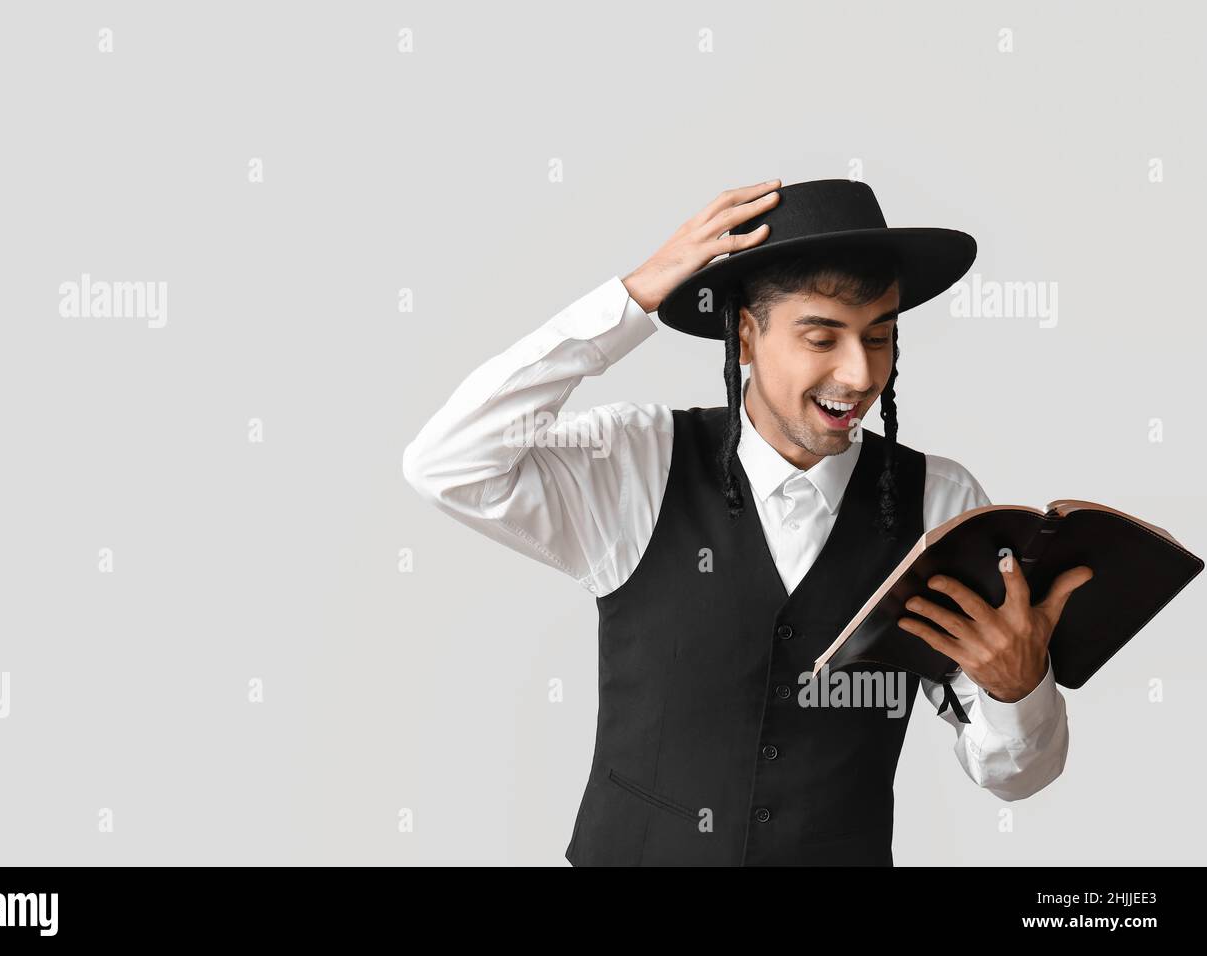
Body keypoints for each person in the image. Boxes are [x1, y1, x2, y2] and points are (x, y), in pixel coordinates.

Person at [402, 178, 1093, 866]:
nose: (857, 374)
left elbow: (1018, 776)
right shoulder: (638, 462)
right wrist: (634, 298)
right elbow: (448, 463)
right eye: (822, 337)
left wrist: (1019, 688)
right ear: (745, 335)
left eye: (879, 337)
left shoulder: (938, 503)